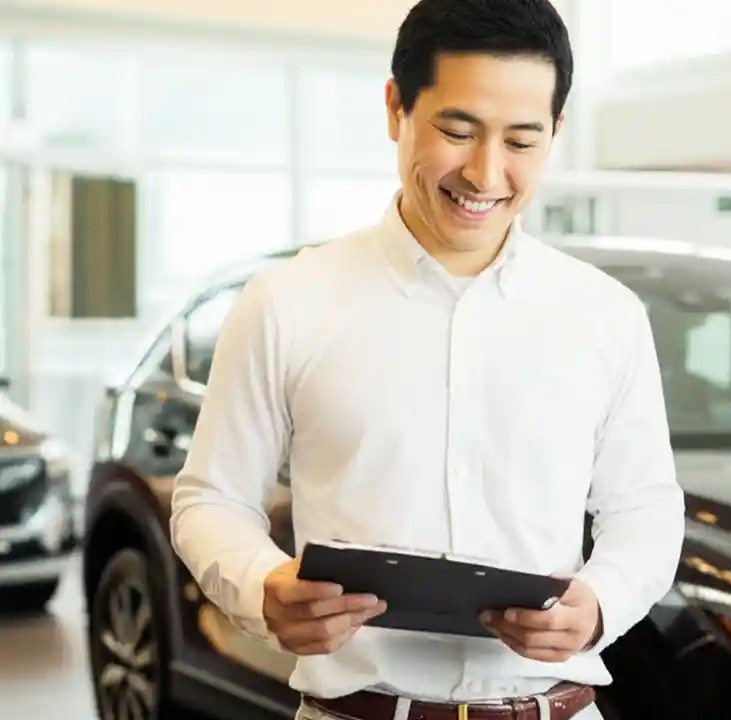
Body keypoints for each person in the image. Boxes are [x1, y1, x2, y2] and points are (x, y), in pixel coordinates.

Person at [168, 1, 686, 718]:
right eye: (457, 130)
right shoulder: (289, 301)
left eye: (522, 140)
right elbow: (212, 497)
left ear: (556, 132)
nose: (486, 173)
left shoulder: (606, 315)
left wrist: (600, 603)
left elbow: (646, 508)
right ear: (395, 108)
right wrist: (262, 587)